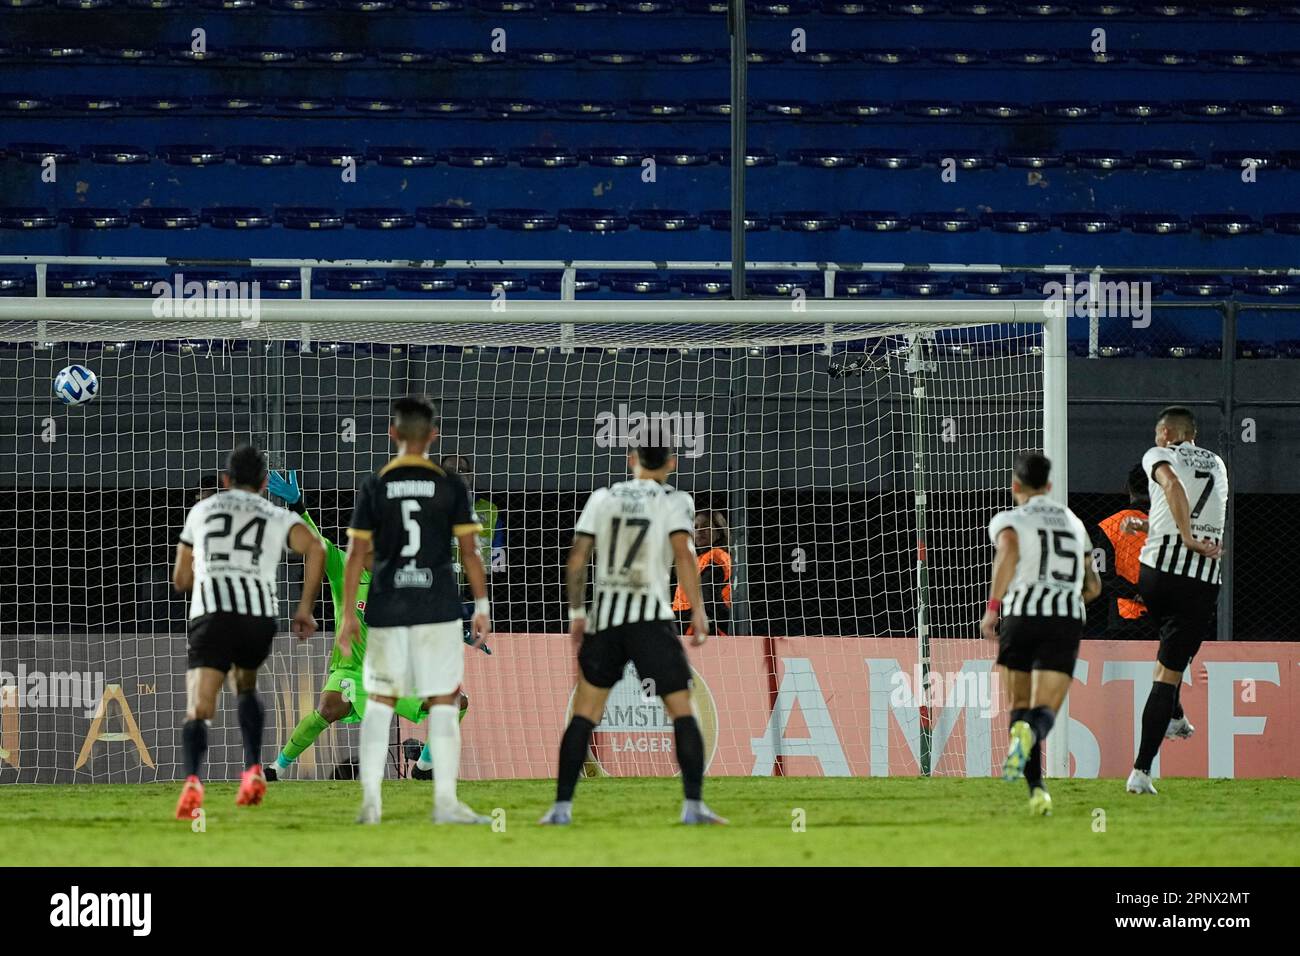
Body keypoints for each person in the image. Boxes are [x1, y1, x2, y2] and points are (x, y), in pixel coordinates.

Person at [539, 440, 726, 826]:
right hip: (650, 620)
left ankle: (561, 809)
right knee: (681, 712)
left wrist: (577, 612)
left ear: (631, 460)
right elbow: (684, 554)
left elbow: (577, 557)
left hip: (605, 620)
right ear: (671, 464)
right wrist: (701, 612)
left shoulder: (603, 498)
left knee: (584, 715)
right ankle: (693, 807)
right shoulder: (676, 501)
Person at [338, 396, 491, 824]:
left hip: (388, 606)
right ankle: (445, 803)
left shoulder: (376, 484)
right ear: (432, 436)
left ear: (393, 434)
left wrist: (349, 614)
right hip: (437, 605)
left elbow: (355, 554)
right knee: (445, 699)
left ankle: (371, 803)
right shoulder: (449, 484)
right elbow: (470, 551)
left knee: (382, 700)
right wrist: (481, 605)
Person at [261, 470, 468, 782]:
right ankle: (276, 769)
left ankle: (424, 768)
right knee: (329, 708)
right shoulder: (344, 567)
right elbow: (316, 542)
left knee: (456, 701)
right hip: (353, 667)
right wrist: (299, 506)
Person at [171, 444, 325, 819]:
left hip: (212, 613)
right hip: (257, 615)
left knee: (201, 704)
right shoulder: (273, 514)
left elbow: (180, 578)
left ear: (226, 480)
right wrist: (304, 608)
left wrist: (208, 578)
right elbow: (317, 548)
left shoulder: (202, 510)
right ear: (262, 483)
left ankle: (192, 782)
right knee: (246, 685)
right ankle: (254, 770)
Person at [981, 451, 1101, 816]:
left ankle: (1036, 790)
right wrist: (1065, 599)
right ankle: (1037, 786)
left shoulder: (1009, 519)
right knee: (1045, 710)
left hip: (1020, 616)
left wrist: (992, 610)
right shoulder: (1073, 521)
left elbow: (1010, 550)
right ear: (1049, 486)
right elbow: (1093, 585)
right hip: (1064, 618)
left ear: (1015, 485)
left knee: (1019, 709)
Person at [1120, 406, 1227, 796]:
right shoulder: (1217, 464)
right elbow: (1193, 508)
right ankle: (1141, 772)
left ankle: (1176, 714)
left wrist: (1160, 528)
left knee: (1173, 655)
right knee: (1169, 671)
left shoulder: (1159, 455)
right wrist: (1188, 538)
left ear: (1166, 434)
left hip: (1155, 576)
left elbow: (1173, 490)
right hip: (1197, 581)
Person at [1091, 465, 1156, 638]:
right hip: (1164, 616)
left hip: (1124, 619)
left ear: (1127, 487)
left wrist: (1135, 592)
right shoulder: (1173, 525)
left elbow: (1101, 575)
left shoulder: (1109, 525)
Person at [672, 509, 732, 636]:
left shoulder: (717, 555)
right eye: (696, 527)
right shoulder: (697, 560)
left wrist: (726, 625)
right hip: (687, 627)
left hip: (703, 629)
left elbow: (708, 596)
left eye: (706, 527)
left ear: (719, 531)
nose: (699, 531)